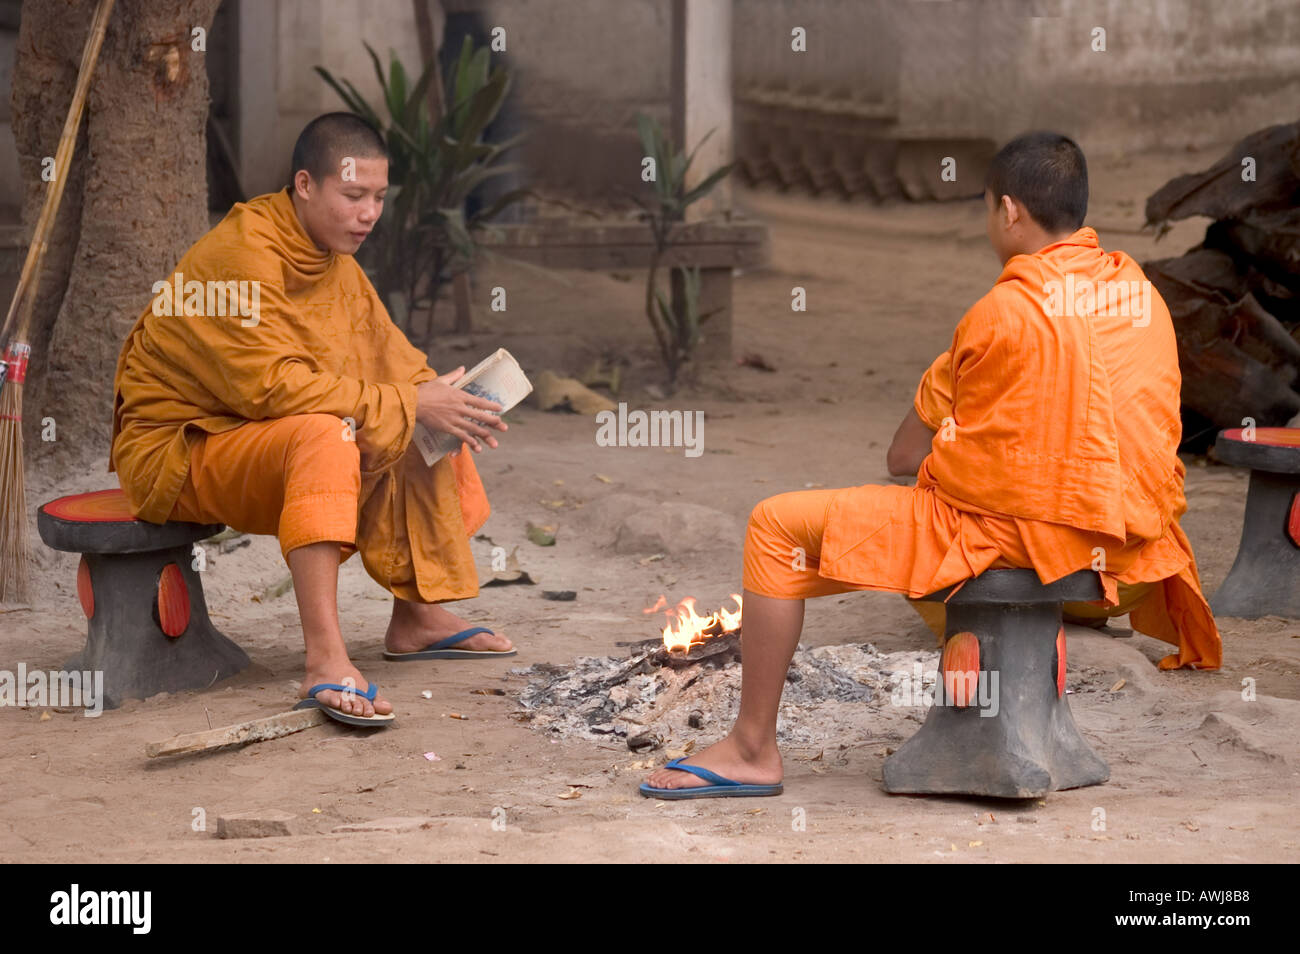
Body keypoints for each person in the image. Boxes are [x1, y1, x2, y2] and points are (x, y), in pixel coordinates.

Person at [642, 130, 1222, 798]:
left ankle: (751, 749)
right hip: (1129, 549)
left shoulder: (1002, 312)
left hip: (1026, 541)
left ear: (1008, 211)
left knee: (775, 527)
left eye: (984, 209)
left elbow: (904, 455)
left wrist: (960, 434)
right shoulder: (1139, 295)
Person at [109, 113, 514, 727]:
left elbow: (391, 360)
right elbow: (269, 388)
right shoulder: (240, 254)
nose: (369, 213)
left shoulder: (332, 260)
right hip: (179, 448)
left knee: (417, 412)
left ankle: (417, 616)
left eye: (378, 197)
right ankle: (325, 659)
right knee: (335, 428)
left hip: (251, 435)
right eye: (353, 195)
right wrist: (408, 402)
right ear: (304, 184)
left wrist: (439, 395)